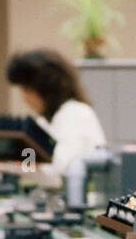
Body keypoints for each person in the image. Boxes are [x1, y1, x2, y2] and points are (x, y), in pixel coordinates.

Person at [6, 49, 107, 189]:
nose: (24, 98)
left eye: (27, 89)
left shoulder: (76, 114)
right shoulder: (47, 120)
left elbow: (59, 173)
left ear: (46, 88)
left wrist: (13, 166)